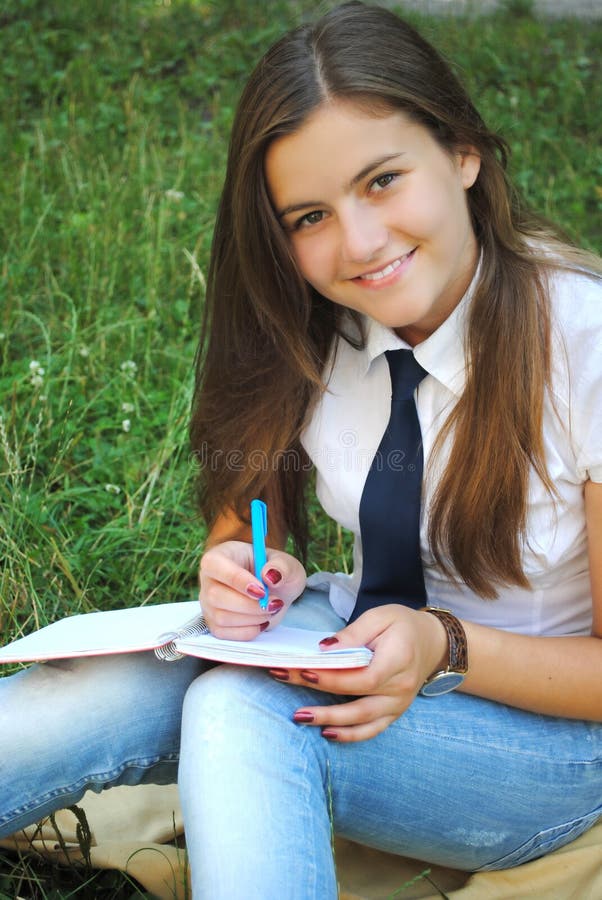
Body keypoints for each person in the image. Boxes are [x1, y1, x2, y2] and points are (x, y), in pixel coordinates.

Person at [0, 3, 600, 897]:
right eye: (309, 215)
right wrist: (242, 565)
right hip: (346, 640)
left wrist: (442, 646)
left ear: (464, 153)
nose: (358, 245)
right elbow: (252, 508)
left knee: (247, 707)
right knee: (103, 692)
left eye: (385, 180)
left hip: (545, 745)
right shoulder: (311, 321)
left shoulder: (585, 342)